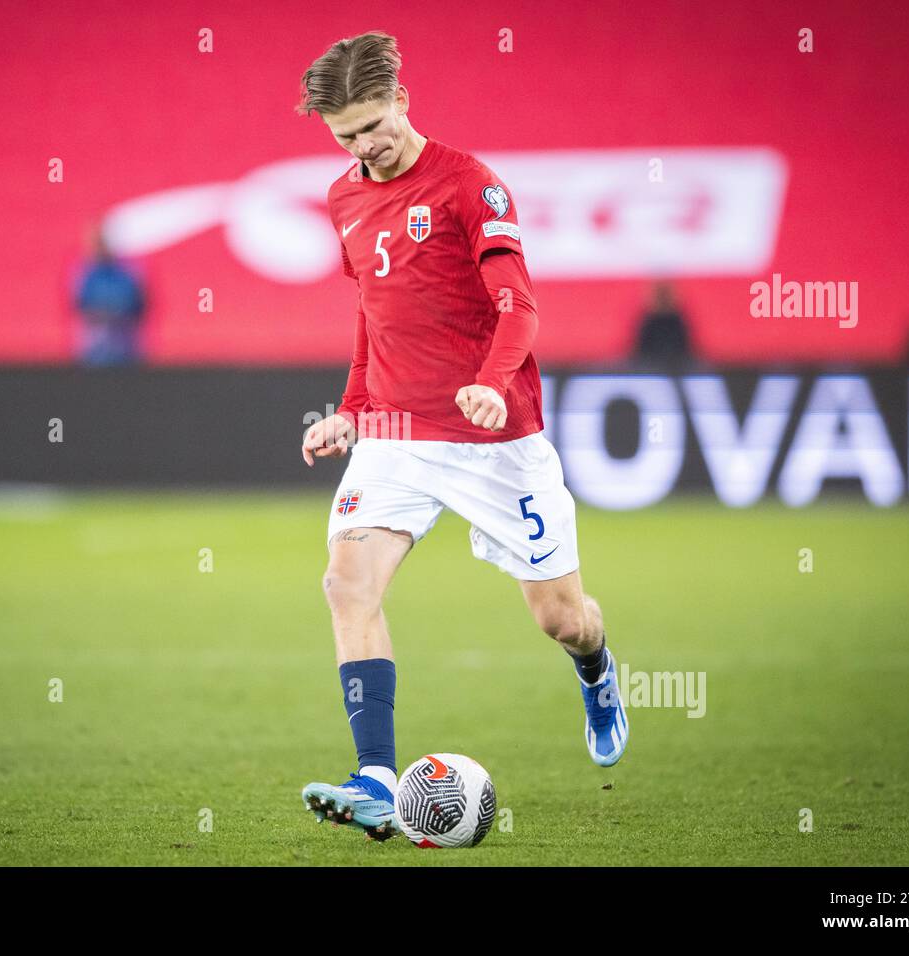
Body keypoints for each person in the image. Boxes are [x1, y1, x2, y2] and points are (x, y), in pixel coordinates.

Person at [296, 32, 628, 841]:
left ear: (402, 101)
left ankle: (596, 670)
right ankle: (375, 779)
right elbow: (373, 315)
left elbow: (520, 306)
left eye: (372, 125)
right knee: (346, 584)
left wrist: (490, 380)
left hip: (494, 441)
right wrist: (351, 407)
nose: (362, 146)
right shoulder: (344, 198)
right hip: (396, 435)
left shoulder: (469, 185)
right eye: (344, 135)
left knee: (562, 619)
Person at [74, 225, 146, 366]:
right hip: (94, 353)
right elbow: (80, 307)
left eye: (101, 243)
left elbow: (138, 306)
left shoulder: (128, 274)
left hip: (126, 350)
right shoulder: (84, 275)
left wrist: (114, 314)